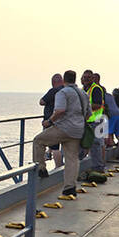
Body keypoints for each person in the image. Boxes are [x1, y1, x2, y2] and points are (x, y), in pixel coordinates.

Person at [33, 69, 86, 199]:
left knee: (38, 141)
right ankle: (70, 188)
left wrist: (49, 121)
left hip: (64, 128)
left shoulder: (63, 92)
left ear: (64, 80)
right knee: (72, 158)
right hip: (78, 129)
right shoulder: (83, 93)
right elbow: (88, 113)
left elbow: (60, 110)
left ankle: (41, 168)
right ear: (75, 79)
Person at [80, 69, 106, 176]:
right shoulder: (83, 89)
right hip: (87, 121)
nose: (86, 79)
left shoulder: (95, 89)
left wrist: (84, 108)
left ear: (92, 78)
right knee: (82, 144)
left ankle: (98, 168)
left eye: (88, 77)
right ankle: (79, 165)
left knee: (96, 145)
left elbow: (98, 104)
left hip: (96, 121)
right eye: (84, 77)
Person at [38, 73, 64, 165]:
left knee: (53, 146)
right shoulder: (65, 90)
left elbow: (41, 102)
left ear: (53, 82)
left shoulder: (54, 91)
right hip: (63, 123)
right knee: (57, 146)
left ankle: (57, 167)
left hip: (51, 121)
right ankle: (49, 154)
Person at [99, 73, 119, 162]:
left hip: (112, 115)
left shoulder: (102, 97)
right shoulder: (110, 95)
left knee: (109, 133)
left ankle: (107, 149)